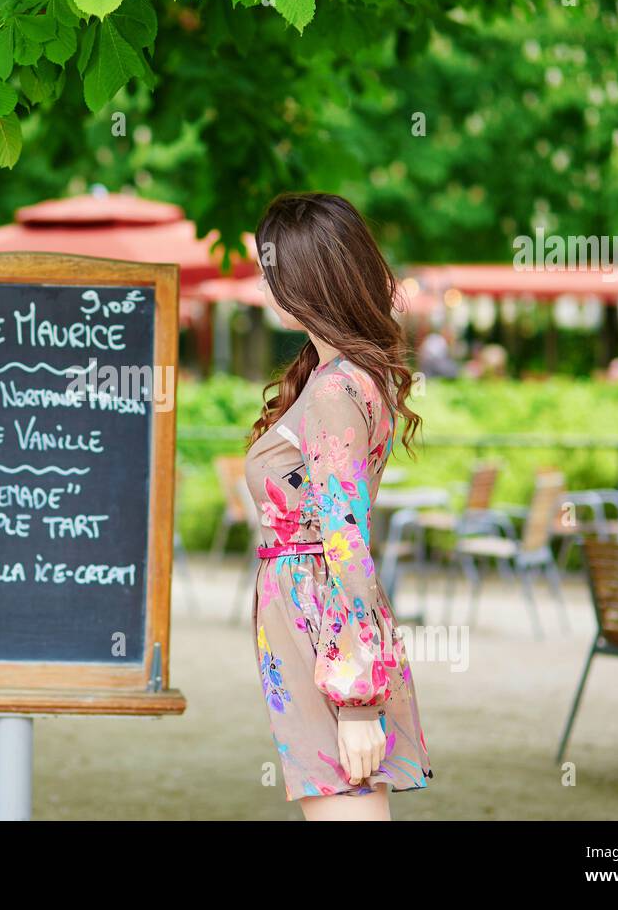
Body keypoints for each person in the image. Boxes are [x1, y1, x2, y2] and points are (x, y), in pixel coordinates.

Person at [245, 192, 431, 821]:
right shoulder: (341, 377)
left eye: (272, 270)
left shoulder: (334, 390)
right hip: (311, 621)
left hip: (321, 625)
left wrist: (356, 700)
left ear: (298, 284)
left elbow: (346, 542)